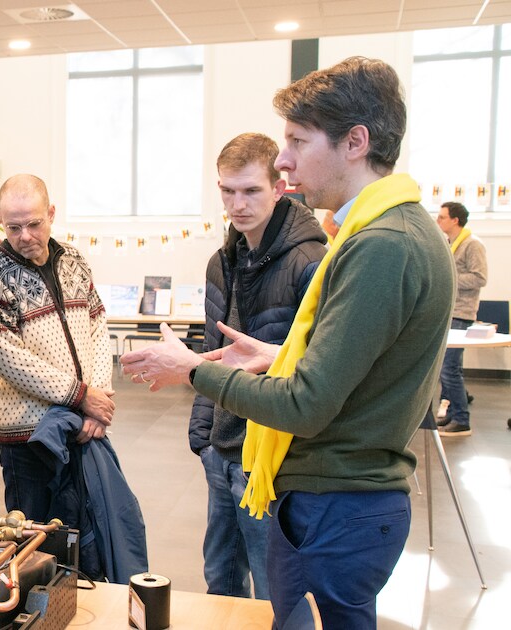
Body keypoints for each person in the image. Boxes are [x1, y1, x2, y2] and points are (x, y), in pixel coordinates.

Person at [120, 57, 454, 629]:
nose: (284, 159)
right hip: (338, 498)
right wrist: (281, 356)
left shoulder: (381, 244)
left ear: (355, 142)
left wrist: (193, 370)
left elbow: (307, 404)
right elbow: (364, 366)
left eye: (298, 140)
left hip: (338, 502)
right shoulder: (390, 229)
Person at [0, 173, 147, 583]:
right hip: (27, 441)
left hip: (82, 428)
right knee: (34, 551)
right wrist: (81, 396)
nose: (25, 235)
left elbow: (98, 326)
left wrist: (96, 403)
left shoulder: (72, 259)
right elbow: (6, 355)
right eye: (13, 227)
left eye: (34, 223)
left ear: (51, 213)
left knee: (88, 539)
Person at [190, 132, 327, 600]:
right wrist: (203, 436)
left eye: (250, 190)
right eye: (228, 191)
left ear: (279, 187)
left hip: (273, 459)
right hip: (222, 450)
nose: (237, 204)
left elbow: (319, 371)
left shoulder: (311, 261)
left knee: (277, 593)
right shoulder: (221, 261)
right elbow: (211, 350)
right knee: (221, 582)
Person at [435, 201, 487, 436]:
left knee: (449, 369)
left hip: (462, 312)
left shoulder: (472, 244)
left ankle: (462, 419)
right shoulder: (451, 243)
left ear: (455, 220)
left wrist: (449, 276)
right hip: (449, 309)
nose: (438, 221)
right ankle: (454, 414)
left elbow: (479, 278)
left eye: (442, 217)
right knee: (449, 368)